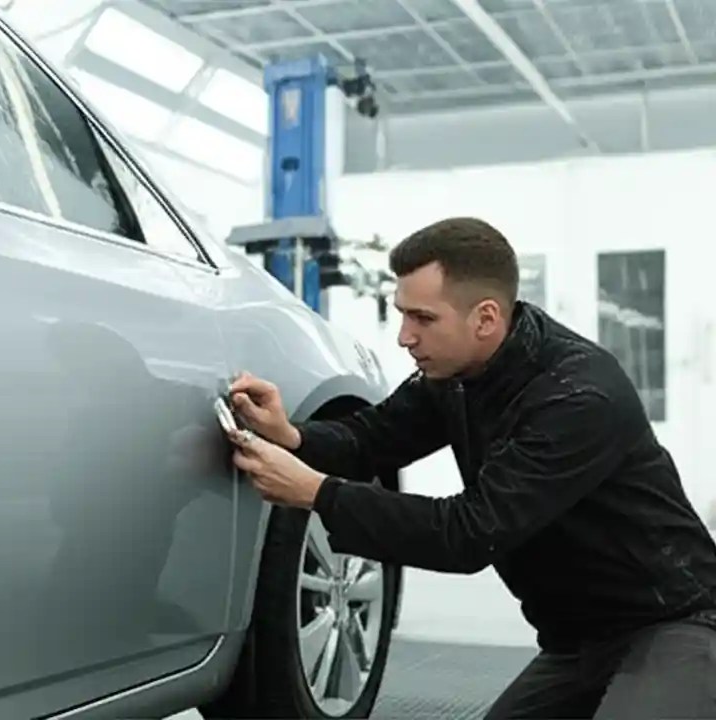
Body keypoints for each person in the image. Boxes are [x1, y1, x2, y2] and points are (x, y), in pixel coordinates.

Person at [226, 217, 716, 719]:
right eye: (402, 315)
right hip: (579, 641)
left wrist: (317, 493)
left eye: (422, 318)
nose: (404, 337)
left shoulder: (577, 397)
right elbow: (374, 437)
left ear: (485, 318)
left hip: (676, 625)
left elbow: (467, 534)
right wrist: (293, 435)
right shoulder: (457, 374)